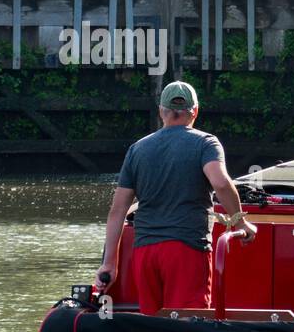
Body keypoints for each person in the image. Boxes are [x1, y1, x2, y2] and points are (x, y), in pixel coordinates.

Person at [97, 81, 256, 315]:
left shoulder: (137, 149)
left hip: (146, 252)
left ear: (162, 112)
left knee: (153, 327)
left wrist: (109, 263)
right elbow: (220, 183)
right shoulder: (205, 143)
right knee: (188, 327)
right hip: (187, 249)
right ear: (196, 112)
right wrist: (239, 222)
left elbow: (118, 211)